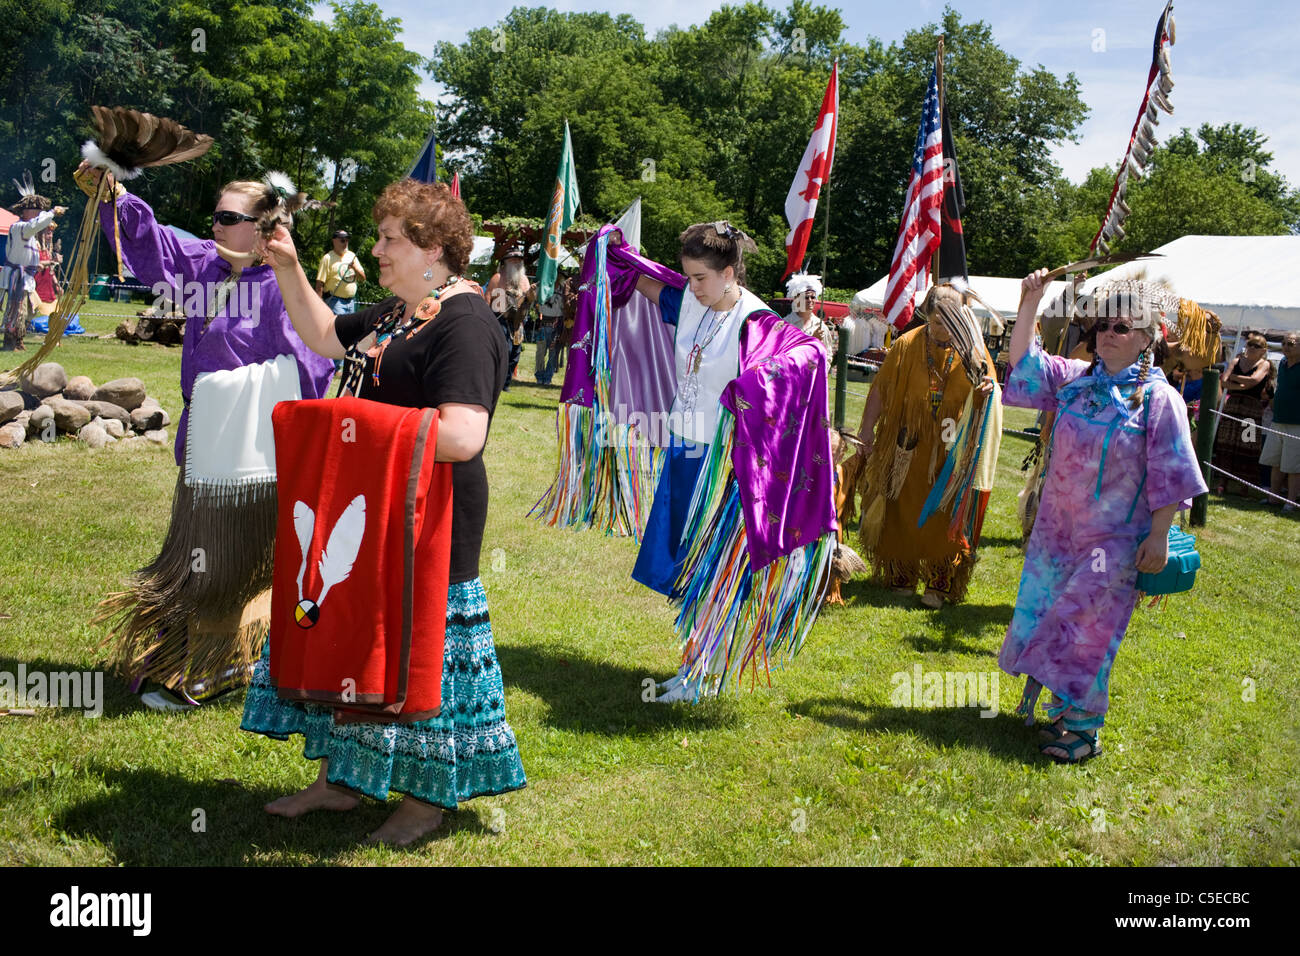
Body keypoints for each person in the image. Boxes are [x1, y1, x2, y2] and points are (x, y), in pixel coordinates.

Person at [242, 178, 525, 846]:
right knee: (364, 634)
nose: (376, 251)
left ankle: (426, 801)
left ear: (433, 249)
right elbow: (322, 335)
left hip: (434, 516)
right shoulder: (401, 313)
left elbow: (461, 435)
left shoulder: (465, 322)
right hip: (379, 507)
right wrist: (286, 263)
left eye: (389, 239)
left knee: (422, 647)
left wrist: (353, 421)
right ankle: (342, 781)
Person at [76, 161, 337, 711]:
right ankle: (217, 655)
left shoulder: (282, 290)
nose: (213, 226)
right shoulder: (206, 268)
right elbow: (157, 247)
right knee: (203, 555)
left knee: (227, 560)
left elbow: (312, 371)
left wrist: (229, 394)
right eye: (213, 215)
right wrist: (116, 196)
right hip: (206, 446)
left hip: (251, 457)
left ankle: (210, 667)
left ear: (267, 230)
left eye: (227, 217)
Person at [999, 269, 1207, 764]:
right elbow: (1024, 365)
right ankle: (1062, 710)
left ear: (1147, 339)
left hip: (1112, 543)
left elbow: (1173, 473)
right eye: (1103, 327)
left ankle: (1084, 729)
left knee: (1086, 628)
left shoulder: (1160, 402)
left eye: (1122, 328)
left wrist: (1160, 536)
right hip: (1057, 535)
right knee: (1048, 616)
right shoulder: (1075, 382)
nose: (1108, 335)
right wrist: (1030, 301)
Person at [624, 222, 837, 702]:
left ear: (728, 273)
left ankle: (707, 676)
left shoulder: (756, 321)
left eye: (699, 277)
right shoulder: (692, 302)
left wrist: (754, 385)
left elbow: (810, 354)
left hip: (725, 466)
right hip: (685, 450)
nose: (691, 286)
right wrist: (611, 252)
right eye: (687, 277)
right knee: (689, 565)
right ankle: (694, 666)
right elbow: (643, 283)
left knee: (716, 567)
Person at [849, 284, 998, 608]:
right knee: (904, 505)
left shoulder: (975, 353)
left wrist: (984, 392)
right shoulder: (906, 345)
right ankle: (901, 574)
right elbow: (881, 390)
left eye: (951, 320)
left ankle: (939, 581)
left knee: (944, 513)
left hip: (953, 451)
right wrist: (867, 430)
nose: (943, 328)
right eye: (937, 321)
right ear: (927, 316)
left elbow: (989, 394)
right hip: (909, 447)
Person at [2, 174, 66, 349]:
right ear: (25, 211)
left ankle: (18, 338)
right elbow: (36, 225)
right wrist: (52, 212)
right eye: (35, 210)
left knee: (27, 310)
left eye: (40, 210)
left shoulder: (28, 231)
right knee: (16, 309)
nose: (38, 213)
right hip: (18, 276)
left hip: (26, 275)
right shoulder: (21, 227)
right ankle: (10, 341)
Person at [1212, 332, 1271, 495]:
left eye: (1257, 345)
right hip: (1233, 406)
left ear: (1263, 350)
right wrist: (1241, 384)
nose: (1252, 347)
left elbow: (1254, 380)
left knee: (1248, 444)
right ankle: (1222, 482)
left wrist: (1235, 380)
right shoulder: (1237, 360)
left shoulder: (1264, 364)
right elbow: (1224, 381)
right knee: (1226, 443)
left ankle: (1244, 484)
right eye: (1250, 344)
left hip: (1251, 409)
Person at [1260, 330, 1300, 510]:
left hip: (1297, 423)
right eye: (1284, 343)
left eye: (1290, 344)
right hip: (1278, 420)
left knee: (1293, 466)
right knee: (1274, 461)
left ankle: (1290, 502)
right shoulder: (1283, 363)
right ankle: (1273, 498)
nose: (1285, 347)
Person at [486, 245, 533, 390]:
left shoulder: (524, 280)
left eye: (518, 260)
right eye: (512, 260)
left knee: (515, 354)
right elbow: (487, 299)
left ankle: (505, 383)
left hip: (518, 321)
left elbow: (529, 301)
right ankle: (497, 381)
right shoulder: (498, 278)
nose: (516, 262)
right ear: (505, 262)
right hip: (499, 320)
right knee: (503, 351)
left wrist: (532, 293)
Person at [534, 277, 563, 385]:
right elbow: (537, 304)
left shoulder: (562, 291)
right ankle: (539, 376)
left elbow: (563, 309)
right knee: (540, 353)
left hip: (555, 327)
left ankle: (547, 377)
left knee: (553, 353)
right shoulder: (543, 289)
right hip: (543, 325)